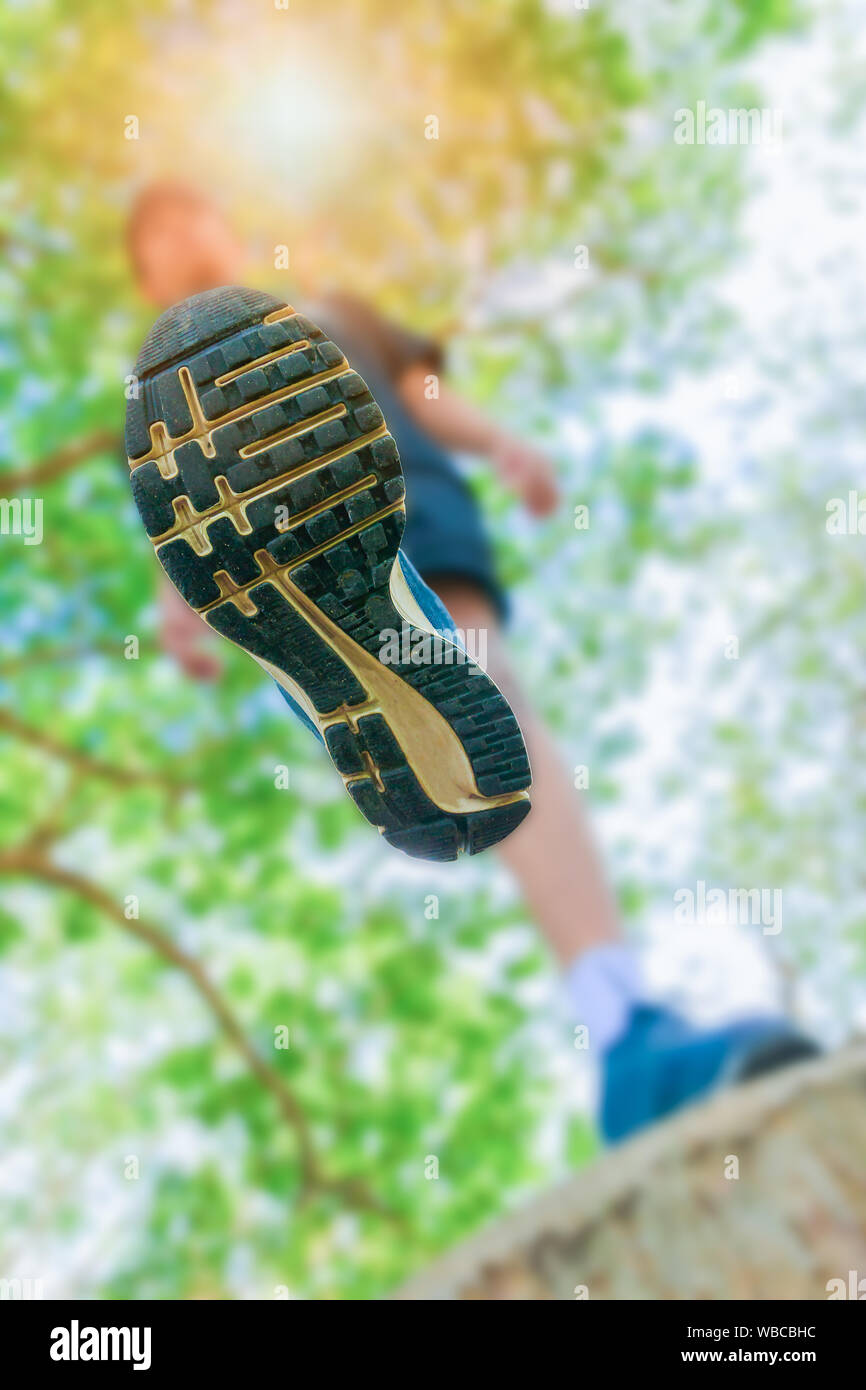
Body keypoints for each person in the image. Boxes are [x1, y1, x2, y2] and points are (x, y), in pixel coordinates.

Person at [125, 182, 816, 1142]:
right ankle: (624, 1031)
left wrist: (505, 444)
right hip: (282, 564)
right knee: (484, 707)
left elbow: (421, 392)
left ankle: (388, 694)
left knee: (487, 702)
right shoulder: (158, 406)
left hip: (414, 510)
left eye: (189, 212)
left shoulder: (333, 309)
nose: (179, 234)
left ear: (228, 226)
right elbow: (190, 526)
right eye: (154, 233)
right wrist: (180, 612)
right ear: (144, 271)